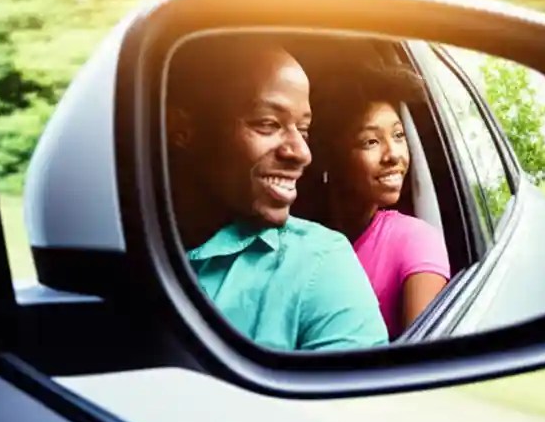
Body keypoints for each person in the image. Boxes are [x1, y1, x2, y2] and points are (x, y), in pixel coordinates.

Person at [165, 37, 388, 352]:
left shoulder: (318, 262)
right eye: (268, 124)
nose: (302, 153)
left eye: (304, 130)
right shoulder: (117, 241)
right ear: (182, 129)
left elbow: (355, 395)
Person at [312, 64, 450, 339]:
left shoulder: (415, 239)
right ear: (330, 157)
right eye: (371, 141)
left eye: (399, 136)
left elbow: (420, 365)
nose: (393, 154)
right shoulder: (299, 242)